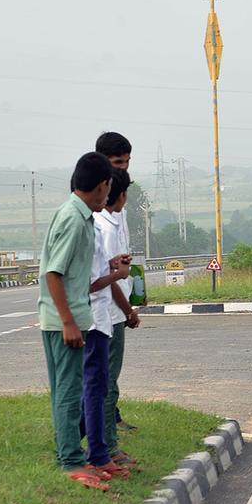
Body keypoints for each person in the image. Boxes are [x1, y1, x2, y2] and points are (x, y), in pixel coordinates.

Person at [37, 152, 113, 490]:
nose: (109, 195)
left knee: (65, 392)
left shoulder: (81, 217)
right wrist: (68, 322)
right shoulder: (72, 218)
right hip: (62, 322)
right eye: (109, 187)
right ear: (101, 186)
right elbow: (53, 273)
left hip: (68, 316)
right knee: (69, 394)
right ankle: (70, 461)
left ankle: (70, 455)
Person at [83, 167, 137, 481]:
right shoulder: (101, 225)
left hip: (111, 313)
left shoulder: (110, 221)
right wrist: (127, 309)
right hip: (106, 316)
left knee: (102, 385)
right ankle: (104, 449)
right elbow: (97, 281)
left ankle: (101, 446)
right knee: (102, 387)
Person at [94, 132, 138, 435]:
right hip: (108, 308)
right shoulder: (100, 220)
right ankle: (106, 438)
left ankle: (110, 421)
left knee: (107, 374)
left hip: (117, 303)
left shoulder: (116, 212)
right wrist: (128, 309)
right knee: (105, 376)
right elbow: (105, 275)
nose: (122, 168)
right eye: (117, 163)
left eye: (126, 162)